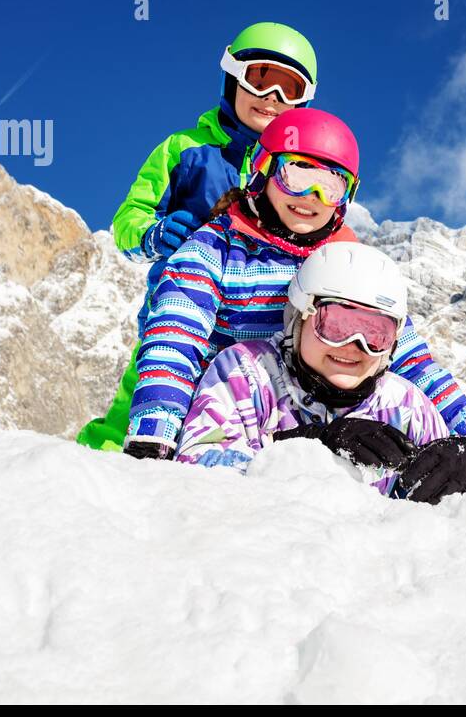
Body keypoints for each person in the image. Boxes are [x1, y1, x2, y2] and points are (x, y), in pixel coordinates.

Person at [122, 108, 466, 503]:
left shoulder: (344, 262)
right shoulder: (213, 249)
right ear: (264, 169)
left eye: (331, 185)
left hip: (326, 407)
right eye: (296, 175)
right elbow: (175, 340)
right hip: (232, 409)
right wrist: (154, 440)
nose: (311, 196)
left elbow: (413, 360)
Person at [76, 22, 319, 451]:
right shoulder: (184, 150)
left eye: (289, 89)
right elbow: (128, 218)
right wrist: (153, 236)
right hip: (182, 315)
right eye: (261, 79)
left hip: (259, 330)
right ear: (233, 75)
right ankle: (101, 465)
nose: (272, 99)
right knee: (149, 400)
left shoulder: (298, 173)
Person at [177, 243, 466, 505]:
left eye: (376, 334)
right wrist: (308, 446)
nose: (354, 346)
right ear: (299, 317)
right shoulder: (247, 373)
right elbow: (196, 473)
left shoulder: (404, 405)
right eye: (336, 325)